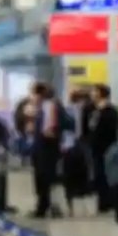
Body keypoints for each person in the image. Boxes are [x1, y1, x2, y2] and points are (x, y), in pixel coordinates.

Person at [30, 83, 68, 219]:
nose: (32, 97)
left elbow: (49, 131)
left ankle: (44, 207)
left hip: (46, 150)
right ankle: (45, 206)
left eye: (33, 94)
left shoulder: (50, 107)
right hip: (44, 149)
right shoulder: (47, 107)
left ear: (40, 95)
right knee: (45, 179)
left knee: (45, 179)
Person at [87, 84, 118, 214]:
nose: (91, 95)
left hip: (106, 148)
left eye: (94, 92)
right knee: (99, 175)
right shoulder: (94, 111)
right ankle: (103, 202)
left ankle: (108, 202)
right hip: (96, 148)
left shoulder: (110, 112)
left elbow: (113, 131)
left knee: (106, 175)